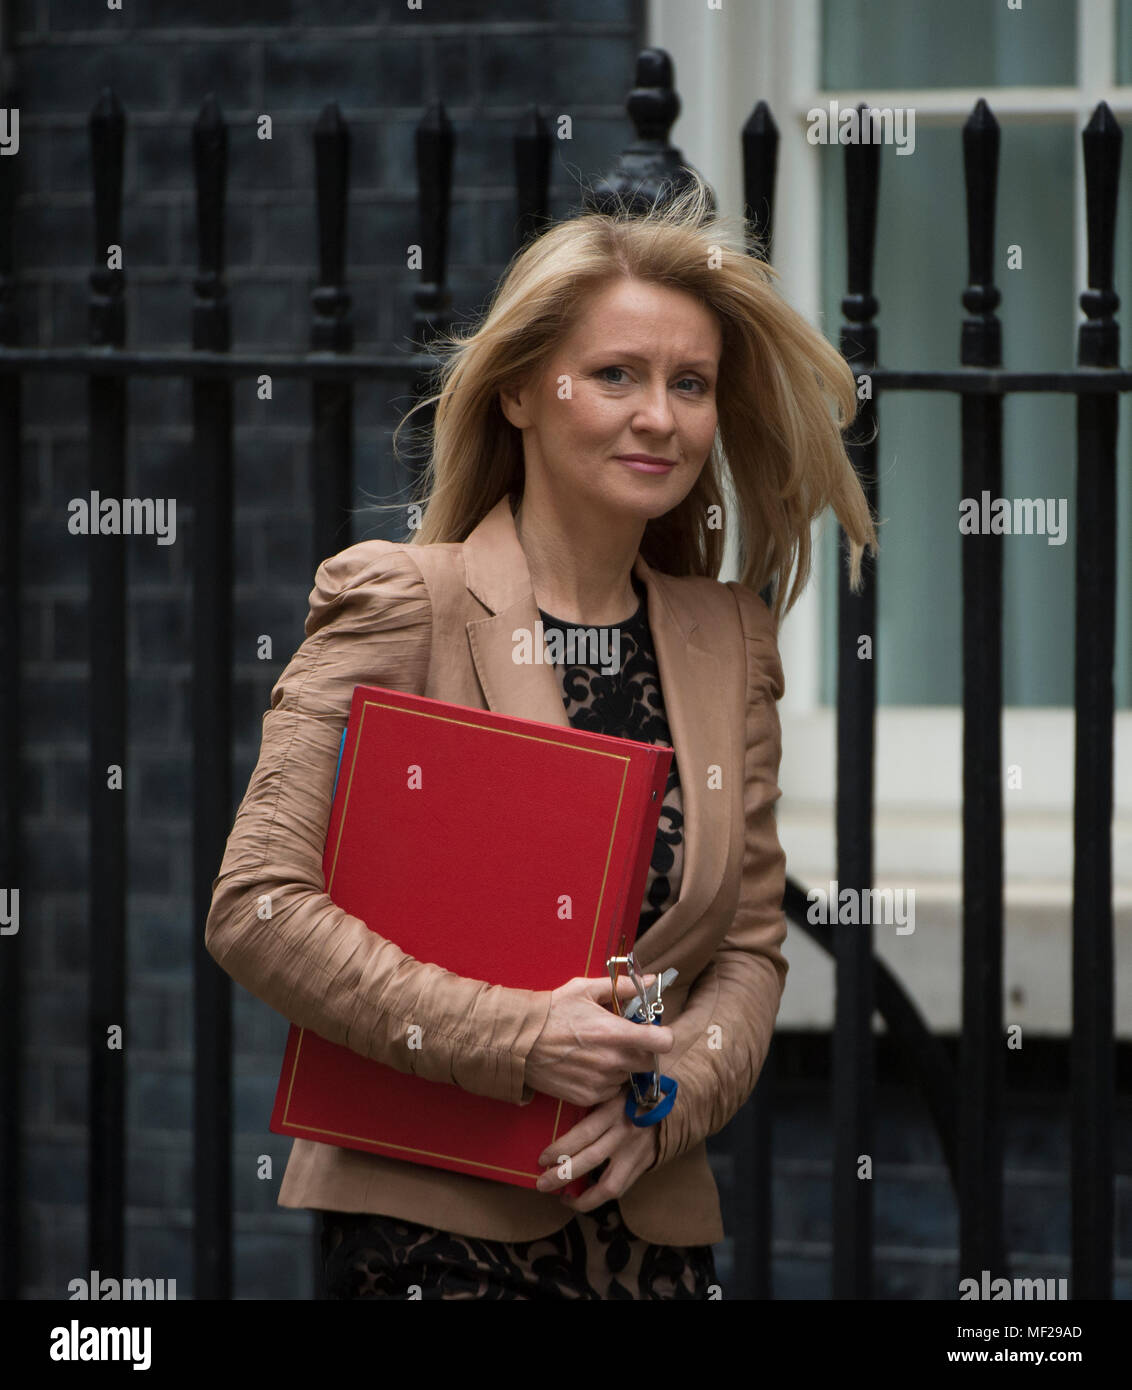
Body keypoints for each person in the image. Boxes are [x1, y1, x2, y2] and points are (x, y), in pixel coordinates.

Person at [204, 170, 877, 1300]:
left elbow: (749, 951)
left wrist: (662, 1111)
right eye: (615, 374)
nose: (658, 415)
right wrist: (518, 1037)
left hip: (649, 1236)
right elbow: (257, 906)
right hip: (431, 1239)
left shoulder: (730, 639)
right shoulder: (401, 601)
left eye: (690, 383)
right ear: (520, 389)